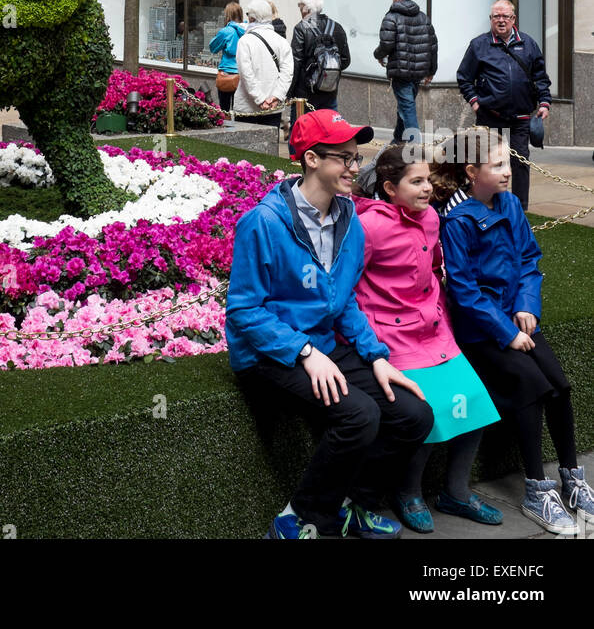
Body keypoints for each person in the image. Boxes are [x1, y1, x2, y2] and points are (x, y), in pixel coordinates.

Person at [227, 109, 433, 539]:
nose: (354, 168)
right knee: (359, 415)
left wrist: (376, 357)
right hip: (270, 354)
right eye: (344, 158)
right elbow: (244, 313)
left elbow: (343, 301)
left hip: (323, 344)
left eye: (356, 158)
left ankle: (351, 506)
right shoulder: (262, 222)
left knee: (414, 415)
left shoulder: (348, 219)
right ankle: (297, 520)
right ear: (311, 159)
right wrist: (304, 353)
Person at [437, 127, 594, 534]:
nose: (509, 171)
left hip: (516, 319)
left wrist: (527, 305)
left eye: (509, 163)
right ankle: (536, 490)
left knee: (559, 385)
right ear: (471, 171)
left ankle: (572, 478)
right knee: (530, 386)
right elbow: (464, 291)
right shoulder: (457, 219)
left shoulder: (508, 203)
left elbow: (529, 258)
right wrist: (506, 332)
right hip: (483, 332)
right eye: (499, 165)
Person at [353, 144, 502, 532]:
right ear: (389, 187)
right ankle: (408, 493)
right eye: (415, 182)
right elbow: (346, 287)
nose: (426, 189)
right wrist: (369, 341)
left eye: (427, 181)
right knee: (427, 412)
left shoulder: (433, 217)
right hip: (391, 339)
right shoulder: (367, 226)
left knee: (475, 402)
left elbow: (434, 276)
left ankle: (456, 492)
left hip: (436, 332)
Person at [456, 0, 550, 210]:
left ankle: (520, 208)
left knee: (520, 162)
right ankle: (485, 203)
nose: (500, 20)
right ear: (491, 20)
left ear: (513, 19)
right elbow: (464, 77)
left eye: (504, 16)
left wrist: (544, 102)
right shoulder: (479, 45)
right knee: (486, 162)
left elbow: (540, 77)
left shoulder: (529, 44)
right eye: (496, 16)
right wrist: (475, 103)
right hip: (490, 115)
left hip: (520, 118)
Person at [374, 0, 437, 145]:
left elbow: (386, 44)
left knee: (407, 108)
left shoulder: (391, 17)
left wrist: (378, 54)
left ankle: (415, 149)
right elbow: (433, 46)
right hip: (418, 72)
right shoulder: (423, 17)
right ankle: (398, 139)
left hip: (401, 72)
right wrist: (431, 70)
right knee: (405, 104)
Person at [289, 0, 350, 122]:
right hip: (330, 91)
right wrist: (326, 74)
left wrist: (290, 92)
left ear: (306, 8)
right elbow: (345, 60)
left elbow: (296, 63)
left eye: (300, 5)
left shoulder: (301, 28)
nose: (299, 8)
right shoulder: (337, 27)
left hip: (305, 93)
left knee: (300, 134)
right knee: (330, 131)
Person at [233, 0, 293, 130]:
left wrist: (260, 99)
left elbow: (246, 74)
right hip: (273, 107)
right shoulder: (281, 41)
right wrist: (276, 96)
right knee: (269, 148)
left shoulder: (245, 41)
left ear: (252, 17)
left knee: (244, 147)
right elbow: (287, 73)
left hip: (247, 107)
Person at [209, 2, 248, 113]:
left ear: (227, 15)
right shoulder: (248, 30)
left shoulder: (226, 31)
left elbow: (213, 47)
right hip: (243, 74)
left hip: (226, 75)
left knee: (224, 110)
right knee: (241, 111)